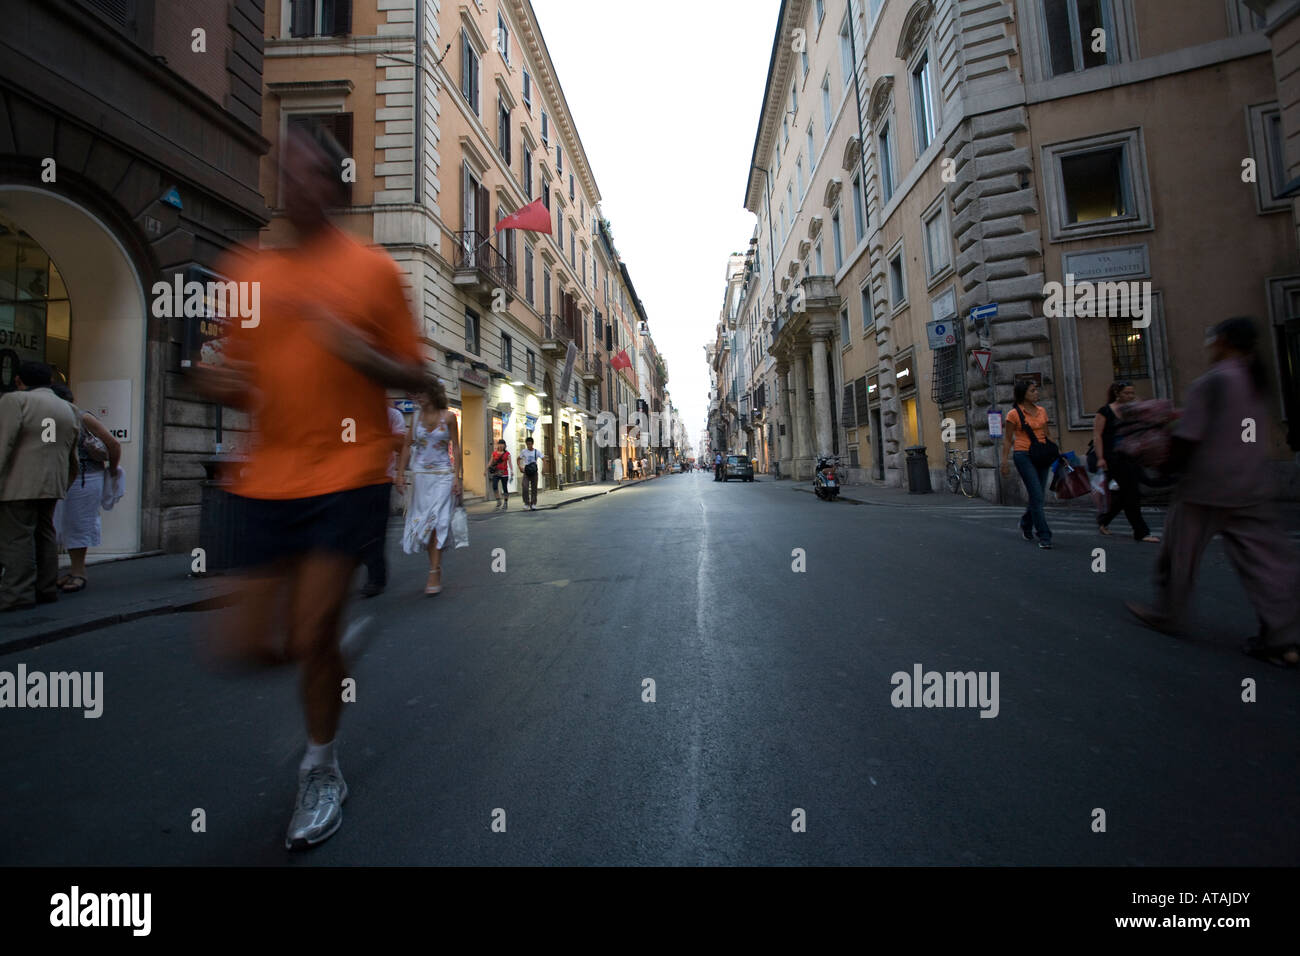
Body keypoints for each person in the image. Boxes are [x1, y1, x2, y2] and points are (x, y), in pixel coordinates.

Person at [192, 125, 430, 850]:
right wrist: (218, 381)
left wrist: (358, 351)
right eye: (284, 172)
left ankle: (321, 769)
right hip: (263, 479)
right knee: (239, 646)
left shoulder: (373, 271)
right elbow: (232, 376)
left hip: (347, 473)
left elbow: (418, 376)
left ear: (335, 185)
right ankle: (326, 644)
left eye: (308, 173)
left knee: (308, 634)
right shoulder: (245, 274)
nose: (292, 184)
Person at [1127, 318, 1300, 666]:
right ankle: (1285, 640)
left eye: (1212, 339)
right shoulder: (1254, 379)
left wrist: (1165, 463)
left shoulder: (1213, 381)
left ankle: (1167, 613)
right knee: (1265, 563)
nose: (1209, 346)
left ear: (1223, 341)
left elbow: (1189, 438)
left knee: (1178, 554)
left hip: (1206, 486)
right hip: (1251, 481)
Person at [0, 361, 80, 611]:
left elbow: (4, 442)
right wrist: (66, 480)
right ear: (51, 381)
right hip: (52, 482)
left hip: (18, 482)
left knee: (17, 538)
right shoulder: (68, 408)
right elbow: (72, 454)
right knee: (45, 534)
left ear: (18, 381)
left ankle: (17, 593)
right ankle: (46, 588)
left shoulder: (15, 401)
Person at [50, 384, 122, 593]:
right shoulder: (52, 420)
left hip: (85, 477)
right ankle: (70, 571)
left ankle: (79, 572)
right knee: (62, 524)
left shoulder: (83, 418)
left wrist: (113, 470)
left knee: (79, 523)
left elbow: (113, 444)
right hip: (64, 479)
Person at [397, 381, 461, 593]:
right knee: (425, 524)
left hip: (443, 476)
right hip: (421, 478)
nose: (418, 396)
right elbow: (407, 446)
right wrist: (400, 474)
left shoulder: (449, 417)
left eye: (422, 392)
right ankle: (435, 566)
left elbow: (456, 447)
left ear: (433, 393)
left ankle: (434, 572)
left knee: (437, 522)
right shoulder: (416, 418)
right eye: (416, 393)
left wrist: (457, 477)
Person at [1093, 381, 1159, 544]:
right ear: (1117, 393)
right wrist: (1100, 458)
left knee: (1126, 494)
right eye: (1127, 393)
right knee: (1132, 493)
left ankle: (1104, 520)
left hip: (1132, 456)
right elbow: (1097, 436)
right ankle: (1141, 532)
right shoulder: (1105, 411)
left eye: (1132, 393)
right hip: (1113, 458)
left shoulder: (1132, 411)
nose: (1130, 396)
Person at [358, 401, 407, 598]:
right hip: (351, 480)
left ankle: (376, 578)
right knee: (352, 527)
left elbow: (400, 445)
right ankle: (362, 556)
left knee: (376, 529)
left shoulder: (393, 415)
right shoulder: (351, 415)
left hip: (381, 479)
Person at [1000, 380, 1054, 549]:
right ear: (1023, 394)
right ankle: (1044, 535)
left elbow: (1047, 434)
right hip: (1023, 455)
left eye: (1036, 390)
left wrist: (1058, 453)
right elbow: (1008, 439)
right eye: (1032, 390)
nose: (1036, 393)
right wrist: (1004, 462)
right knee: (1037, 495)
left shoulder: (1042, 411)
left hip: (1042, 454)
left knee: (1038, 496)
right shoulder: (1013, 414)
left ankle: (1025, 523)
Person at [518, 435, 543, 510]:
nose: (529, 446)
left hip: (534, 472)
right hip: (526, 472)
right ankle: (526, 503)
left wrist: (544, 468)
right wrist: (520, 467)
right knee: (524, 486)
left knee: (534, 488)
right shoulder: (524, 451)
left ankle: (533, 503)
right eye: (527, 444)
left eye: (530, 444)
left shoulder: (536, 452)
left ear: (532, 444)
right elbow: (518, 459)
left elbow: (543, 459)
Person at [488, 438, 512, 509]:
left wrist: (512, 471)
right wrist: (486, 470)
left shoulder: (507, 454)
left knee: (504, 488)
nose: (501, 446)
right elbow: (490, 462)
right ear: (498, 445)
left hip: (504, 473)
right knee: (494, 486)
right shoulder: (494, 453)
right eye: (500, 444)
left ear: (504, 445)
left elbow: (510, 463)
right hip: (496, 472)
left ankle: (505, 502)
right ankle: (498, 501)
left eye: (502, 444)